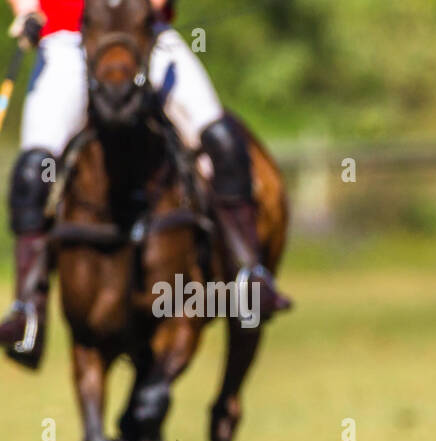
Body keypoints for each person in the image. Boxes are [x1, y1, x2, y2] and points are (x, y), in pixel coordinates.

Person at [0, 0, 289, 369]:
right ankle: (28, 311)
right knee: (32, 172)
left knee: (222, 141)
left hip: (143, 35)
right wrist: (26, 11)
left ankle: (250, 276)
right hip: (67, 41)